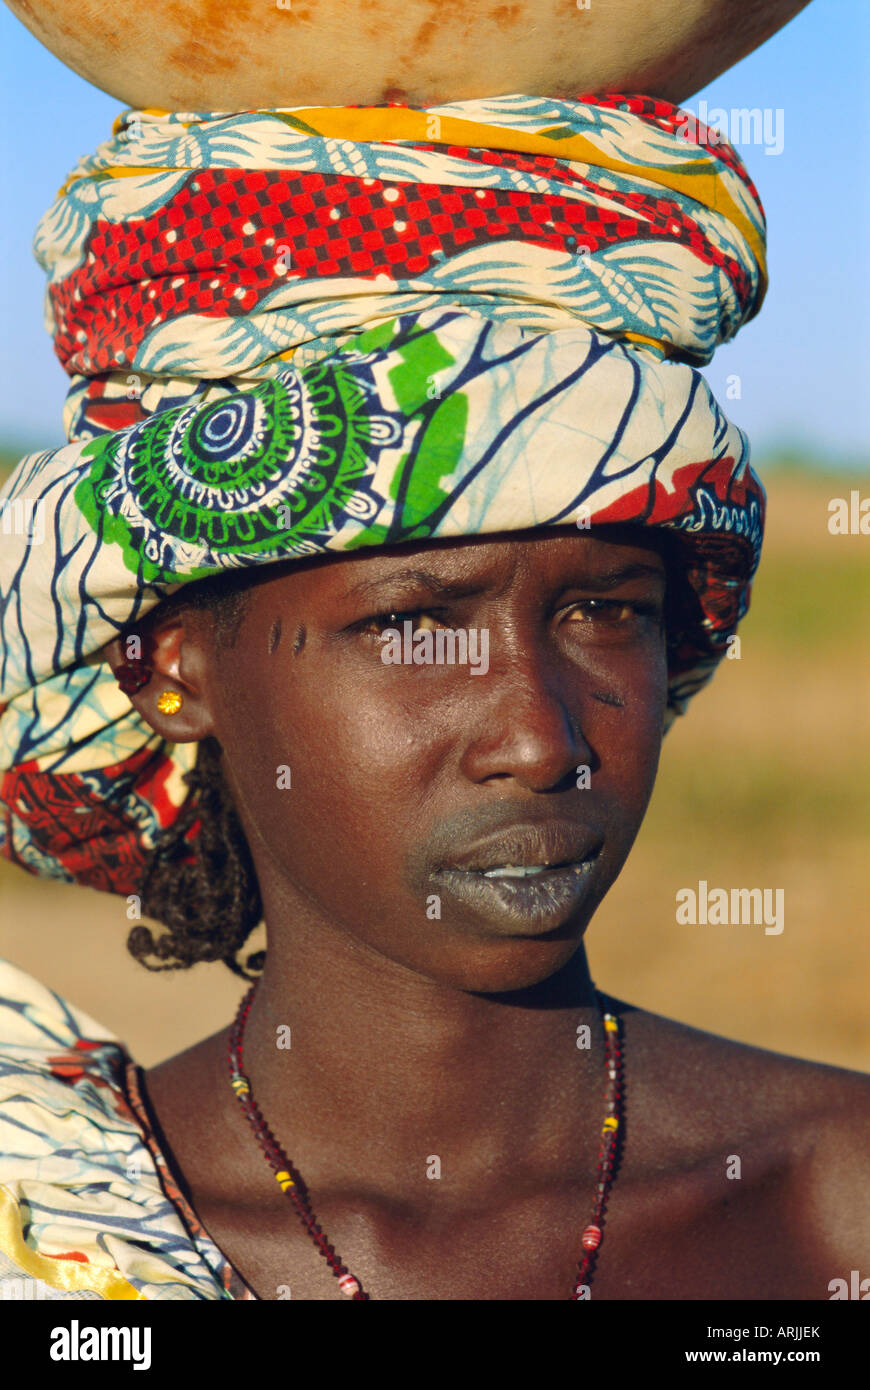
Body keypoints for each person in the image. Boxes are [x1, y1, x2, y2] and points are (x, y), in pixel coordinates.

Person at [0, 90, 867, 1302]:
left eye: (605, 611)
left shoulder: (834, 1209)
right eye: (412, 623)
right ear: (175, 665)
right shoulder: (50, 1232)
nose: (536, 737)